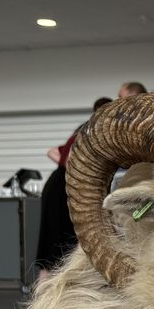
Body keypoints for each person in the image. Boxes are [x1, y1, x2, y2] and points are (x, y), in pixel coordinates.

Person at [36, 96, 112, 278]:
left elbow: (54, 152)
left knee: (59, 239)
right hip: (64, 187)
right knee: (57, 241)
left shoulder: (85, 128)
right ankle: (49, 291)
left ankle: (52, 288)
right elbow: (72, 157)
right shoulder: (91, 131)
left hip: (62, 183)